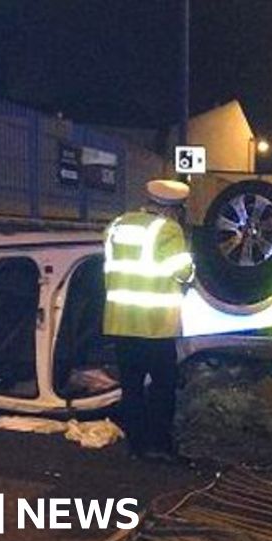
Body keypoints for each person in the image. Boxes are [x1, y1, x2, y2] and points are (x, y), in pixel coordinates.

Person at [103, 179, 194, 460]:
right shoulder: (167, 230)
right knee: (163, 387)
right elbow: (182, 272)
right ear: (173, 209)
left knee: (131, 388)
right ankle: (160, 446)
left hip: (120, 322)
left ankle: (136, 446)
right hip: (155, 326)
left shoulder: (116, 226)